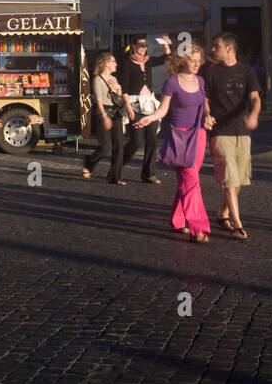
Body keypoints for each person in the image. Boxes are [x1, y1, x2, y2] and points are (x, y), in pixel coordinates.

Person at [135, 45, 215, 241]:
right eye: (192, 60)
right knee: (192, 182)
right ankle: (199, 228)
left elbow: (204, 105)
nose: (196, 64)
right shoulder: (172, 82)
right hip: (179, 138)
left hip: (199, 136)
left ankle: (178, 220)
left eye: (199, 59)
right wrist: (150, 118)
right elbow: (163, 110)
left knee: (188, 181)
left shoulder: (201, 81)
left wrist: (208, 116)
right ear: (182, 61)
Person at [204, 32, 261, 239]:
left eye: (215, 46)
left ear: (229, 48)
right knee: (229, 177)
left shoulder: (246, 71)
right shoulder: (210, 73)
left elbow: (255, 98)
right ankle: (237, 224)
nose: (212, 49)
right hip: (220, 131)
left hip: (242, 132)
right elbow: (205, 100)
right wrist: (207, 114)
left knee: (238, 180)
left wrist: (254, 115)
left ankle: (224, 213)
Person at [120, 34, 172, 184]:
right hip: (134, 103)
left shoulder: (148, 61)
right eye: (142, 45)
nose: (144, 48)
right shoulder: (127, 63)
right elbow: (124, 87)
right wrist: (128, 107)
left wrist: (165, 44)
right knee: (136, 140)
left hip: (149, 103)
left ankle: (149, 174)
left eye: (146, 46)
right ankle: (118, 164)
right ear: (134, 47)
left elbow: (165, 58)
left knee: (152, 139)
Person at [83, 51, 126, 184]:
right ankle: (89, 162)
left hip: (116, 112)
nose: (116, 64)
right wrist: (104, 117)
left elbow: (118, 99)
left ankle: (115, 177)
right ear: (106, 63)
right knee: (106, 147)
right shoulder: (97, 79)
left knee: (119, 146)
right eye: (113, 62)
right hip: (103, 112)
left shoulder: (114, 79)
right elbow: (99, 100)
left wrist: (119, 88)